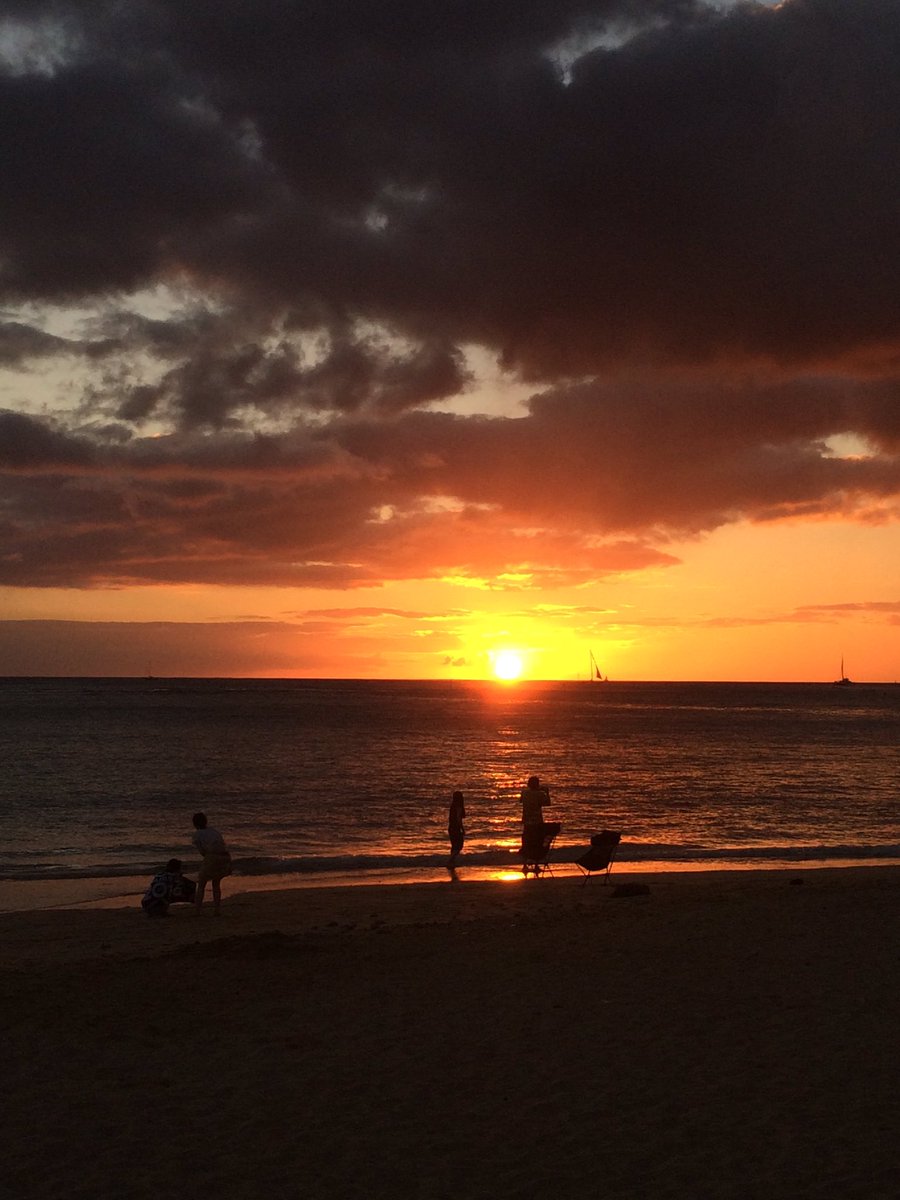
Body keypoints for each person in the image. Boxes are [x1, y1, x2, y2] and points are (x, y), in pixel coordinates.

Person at [191, 812, 232, 915]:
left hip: (213, 856)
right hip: (224, 856)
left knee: (201, 884)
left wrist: (208, 858)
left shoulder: (198, 834)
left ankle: (197, 910)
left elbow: (202, 851)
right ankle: (217, 909)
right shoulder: (214, 831)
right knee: (216, 884)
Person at [448, 790, 466, 865]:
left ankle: (452, 862)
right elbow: (459, 819)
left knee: (454, 846)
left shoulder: (453, 806)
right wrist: (462, 828)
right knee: (459, 846)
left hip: (451, 827)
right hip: (456, 828)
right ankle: (451, 861)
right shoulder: (458, 806)